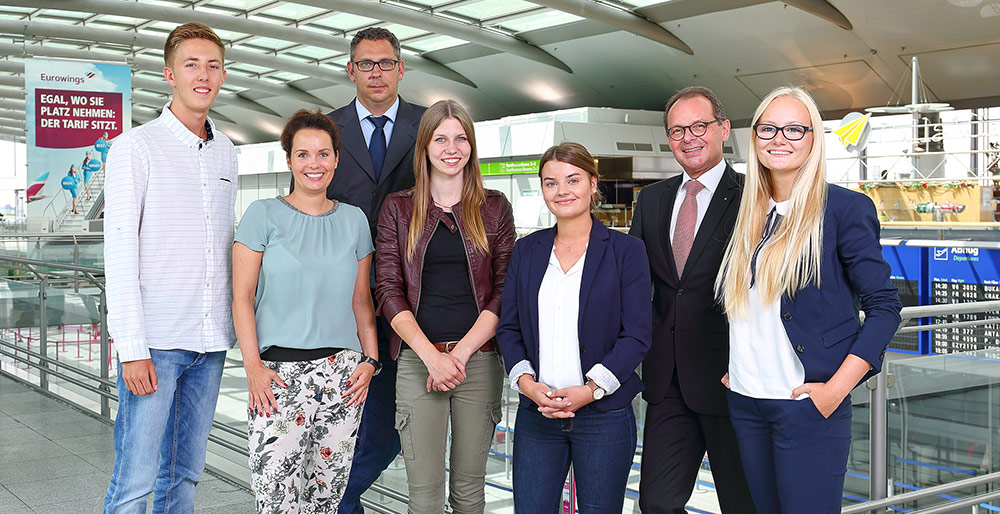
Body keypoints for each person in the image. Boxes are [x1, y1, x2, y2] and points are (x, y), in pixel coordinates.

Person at [715, 86, 901, 513]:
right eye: (768, 128)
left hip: (807, 404)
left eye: (794, 129)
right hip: (746, 400)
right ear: (754, 138)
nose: (780, 138)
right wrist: (736, 369)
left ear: (814, 139)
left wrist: (837, 389)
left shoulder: (843, 208)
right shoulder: (747, 212)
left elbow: (884, 306)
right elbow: (748, 304)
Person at [103, 22, 237, 513]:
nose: (203, 75)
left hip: (210, 343)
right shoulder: (135, 148)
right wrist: (132, 348)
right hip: (156, 345)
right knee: (135, 480)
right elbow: (119, 254)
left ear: (222, 75)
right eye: (191, 64)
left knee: (184, 476)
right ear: (169, 74)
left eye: (213, 65)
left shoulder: (226, 150)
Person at [233, 109, 380, 513]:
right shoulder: (262, 215)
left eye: (323, 154)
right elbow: (241, 297)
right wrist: (252, 367)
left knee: (326, 500)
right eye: (303, 154)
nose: (314, 164)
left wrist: (370, 361)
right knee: (277, 500)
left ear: (336, 159)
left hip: (342, 378)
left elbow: (361, 301)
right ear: (289, 159)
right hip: (277, 377)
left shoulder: (354, 221)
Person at [374, 99, 515, 513]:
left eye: (460, 138)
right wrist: (432, 358)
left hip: (480, 362)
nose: (452, 148)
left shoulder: (495, 207)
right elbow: (387, 289)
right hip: (419, 364)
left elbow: (505, 291)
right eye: (441, 138)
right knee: (425, 494)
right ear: (425, 147)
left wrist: (461, 354)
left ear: (471, 146)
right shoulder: (399, 209)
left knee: (470, 492)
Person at [497, 142, 652, 513]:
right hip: (538, 416)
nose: (562, 191)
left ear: (592, 183)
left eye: (572, 179)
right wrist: (528, 386)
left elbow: (637, 334)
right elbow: (510, 328)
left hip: (604, 417)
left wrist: (591, 389)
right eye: (550, 183)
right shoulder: (527, 250)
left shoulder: (626, 250)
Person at [629, 86, 756, 513]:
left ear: (723, 130)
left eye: (699, 126)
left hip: (733, 380)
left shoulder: (754, 198)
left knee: (744, 504)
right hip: (668, 385)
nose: (688, 137)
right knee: (657, 505)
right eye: (677, 130)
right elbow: (635, 286)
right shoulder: (651, 200)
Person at [317, 27, 428, 514]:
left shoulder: (429, 125)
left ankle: (333, 499)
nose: (377, 72)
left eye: (385, 63)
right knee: (338, 422)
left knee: (390, 428)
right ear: (351, 70)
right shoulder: (327, 129)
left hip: (412, 303)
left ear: (401, 68)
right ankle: (337, 500)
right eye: (366, 64)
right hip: (343, 301)